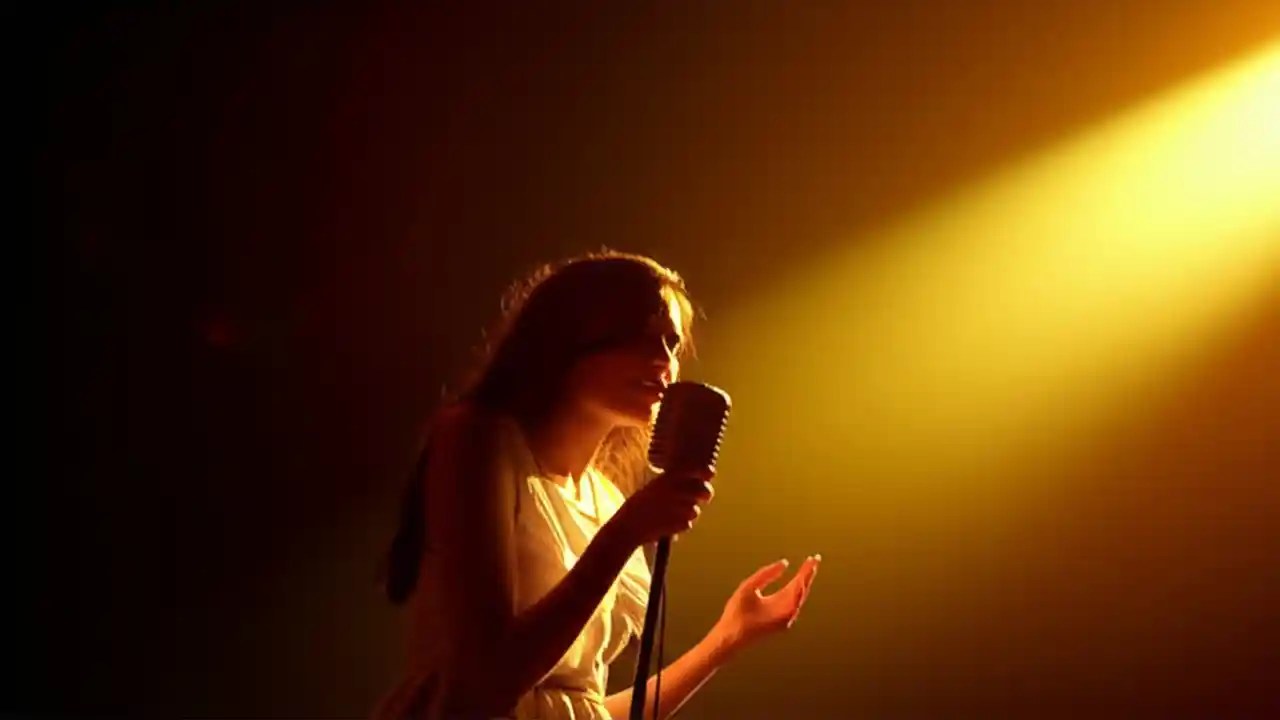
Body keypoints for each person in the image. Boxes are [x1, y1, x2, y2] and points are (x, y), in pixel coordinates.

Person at [373, 250, 821, 719]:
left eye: (671, 342)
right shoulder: (480, 438)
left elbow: (580, 709)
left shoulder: (605, 500)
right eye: (640, 336)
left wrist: (727, 639)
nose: (663, 360)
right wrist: (624, 535)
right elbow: (489, 681)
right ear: (565, 339)